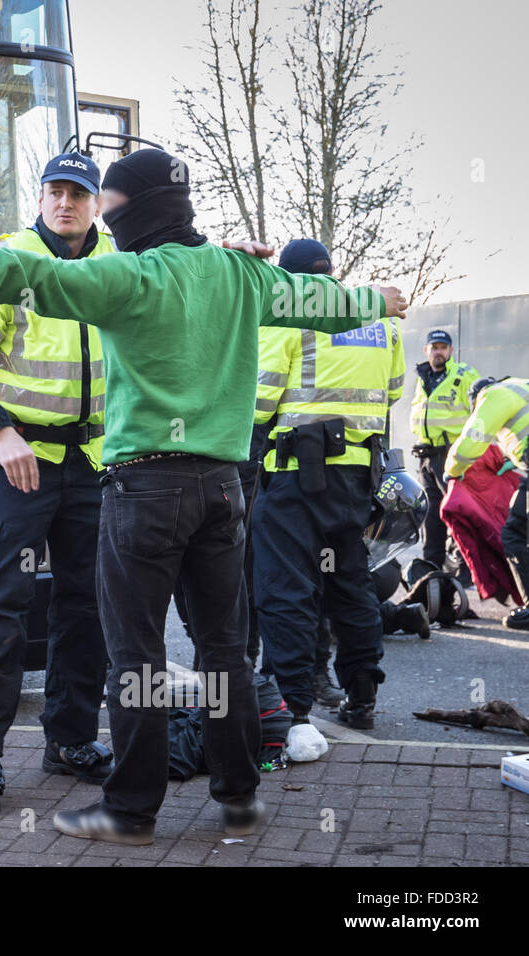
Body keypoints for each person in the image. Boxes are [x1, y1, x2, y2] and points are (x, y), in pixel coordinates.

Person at [0, 147, 408, 845]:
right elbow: (316, 301)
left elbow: (29, 276)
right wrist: (374, 300)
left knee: (136, 657)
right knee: (224, 650)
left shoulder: (124, 277)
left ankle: (131, 808)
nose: (97, 217)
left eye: (106, 205)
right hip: (220, 489)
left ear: (130, 211)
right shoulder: (240, 272)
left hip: (142, 487)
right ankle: (238, 794)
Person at [0, 151, 115, 816]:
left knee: (89, 608)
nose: (65, 203)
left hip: (93, 463)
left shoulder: (119, 265)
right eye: (55, 191)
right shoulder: (6, 263)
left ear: (96, 203)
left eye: (78, 194)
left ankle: (70, 740)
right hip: (18, 457)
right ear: (41, 197)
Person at [250, 238, 405, 757]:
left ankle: (294, 710)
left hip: (294, 476)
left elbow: (259, 397)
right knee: (350, 583)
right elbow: (394, 390)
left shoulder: (289, 316)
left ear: (291, 282)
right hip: (358, 473)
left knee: (287, 590)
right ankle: (362, 696)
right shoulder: (381, 322)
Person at [445, 376, 529, 628]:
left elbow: (472, 441)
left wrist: (453, 469)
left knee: (514, 534)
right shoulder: (520, 385)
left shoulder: (492, 395)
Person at [411, 330, 480, 567]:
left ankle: (465, 564)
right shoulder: (422, 378)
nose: (438, 351)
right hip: (426, 455)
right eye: (434, 347)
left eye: (443, 347)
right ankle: (432, 566)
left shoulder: (463, 376)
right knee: (431, 513)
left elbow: (480, 412)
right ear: (426, 350)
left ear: (451, 351)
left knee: (457, 510)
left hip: (452, 454)